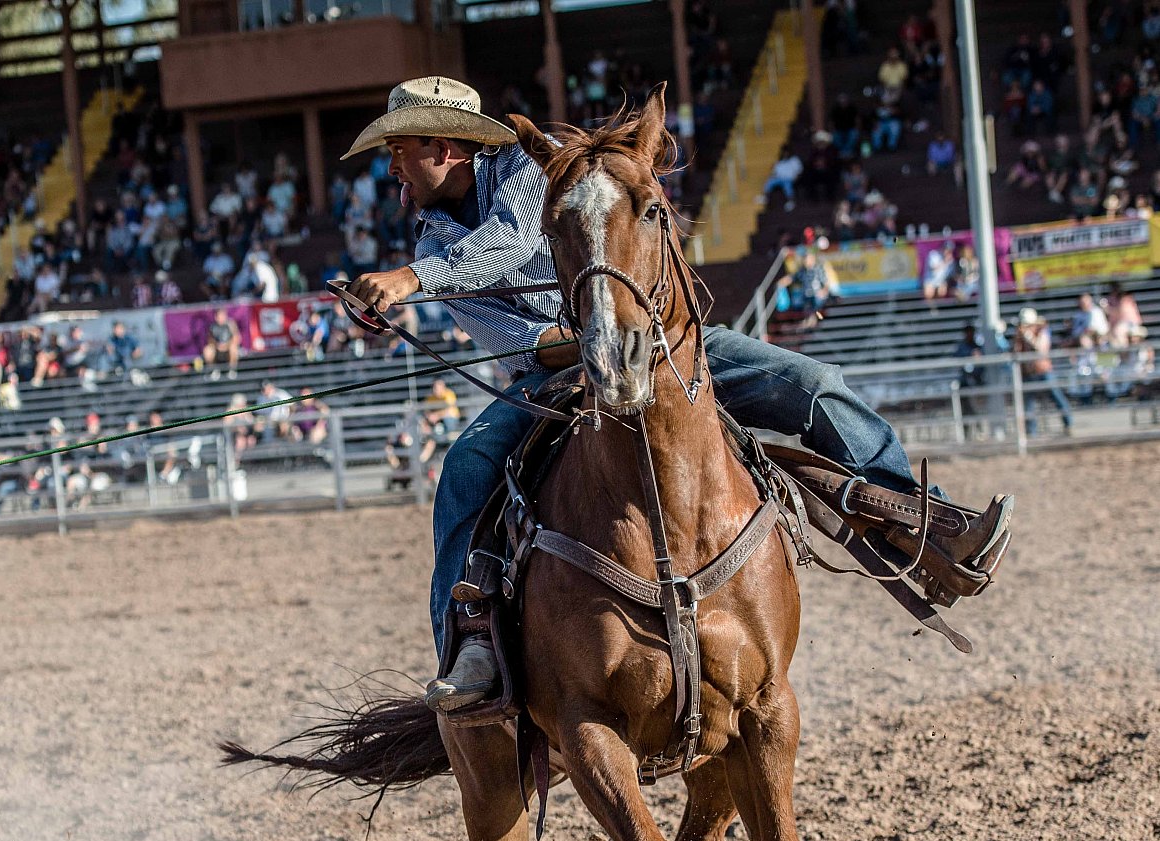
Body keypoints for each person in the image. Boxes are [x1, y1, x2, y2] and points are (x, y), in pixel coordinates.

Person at [340, 76, 1012, 712]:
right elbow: (521, 337)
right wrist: (561, 331)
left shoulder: (529, 167)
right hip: (555, 365)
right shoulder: (432, 237)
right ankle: (470, 645)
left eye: (399, 152)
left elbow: (511, 240)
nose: (391, 171)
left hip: (658, 336)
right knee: (464, 469)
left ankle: (922, 526)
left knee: (814, 386)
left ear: (443, 146)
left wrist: (411, 278)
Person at [1013, 307, 1073, 436]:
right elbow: (1015, 352)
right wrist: (1019, 339)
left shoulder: (1042, 331)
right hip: (1028, 374)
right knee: (1028, 404)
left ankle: (1069, 424)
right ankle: (1031, 432)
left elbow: (1040, 348)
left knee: (1057, 397)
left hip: (1043, 372)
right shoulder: (1020, 335)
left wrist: (1027, 335)